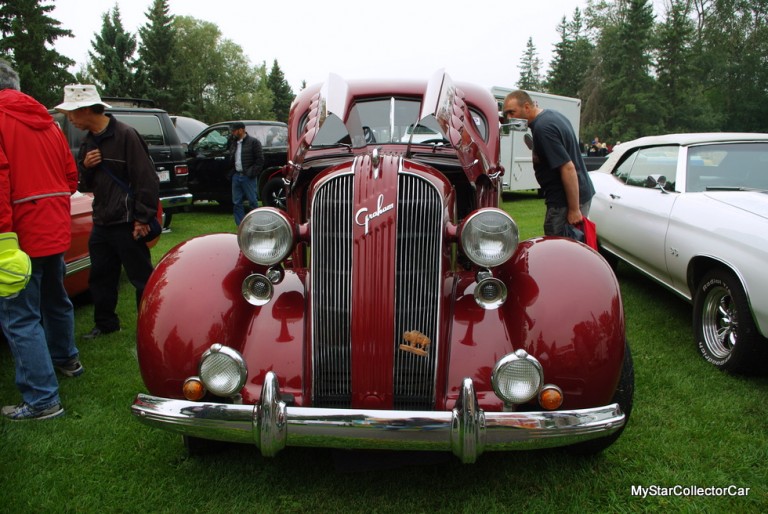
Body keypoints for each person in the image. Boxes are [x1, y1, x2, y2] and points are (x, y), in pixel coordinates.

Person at [0, 59, 81, 420]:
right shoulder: (49, 123)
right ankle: (67, 360)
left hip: (18, 235)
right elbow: (70, 177)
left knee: (20, 317)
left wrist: (4, 238)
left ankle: (42, 399)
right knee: (56, 299)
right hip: (54, 227)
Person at [54, 84, 159, 339]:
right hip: (101, 221)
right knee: (100, 276)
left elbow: (146, 179)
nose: (69, 119)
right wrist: (87, 167)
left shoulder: (126, 135)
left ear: (87, 109)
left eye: (72, 113)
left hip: (127, 221)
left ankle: (148, 325)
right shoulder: (88, 140)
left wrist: (142, 218)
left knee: (142, 278)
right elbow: (85, 185)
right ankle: (105, 324)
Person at [503, 90, 595, 238]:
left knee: (558, 249)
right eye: (506, 114)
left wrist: (574, 209)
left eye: (512, 112)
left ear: (527, 107)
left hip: (564, 202)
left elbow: (568, 168)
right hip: (573, 196)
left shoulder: (543, 128)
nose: (509, 118)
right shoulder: (551, 116)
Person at [229, 122, 263, 225]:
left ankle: (256, 224)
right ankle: (240, 225)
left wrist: (251, 173)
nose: (233, 132)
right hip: (236, 175)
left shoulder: (254, 142)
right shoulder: (233, 142)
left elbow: (260, 160)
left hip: (248, 176)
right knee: (236, 202)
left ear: (241, 129)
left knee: (252, 201)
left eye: (234, 130)